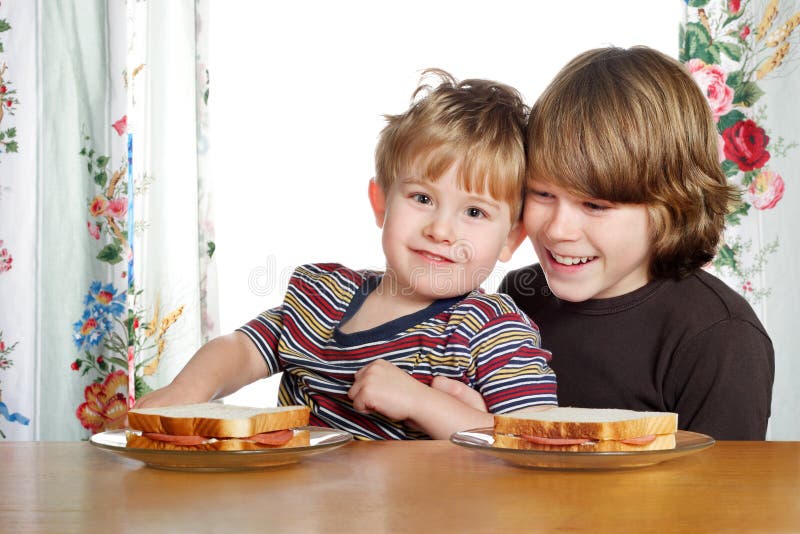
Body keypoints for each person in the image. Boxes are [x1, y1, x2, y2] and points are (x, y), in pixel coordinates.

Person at [134, 70, 557, 440]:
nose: (442, 230)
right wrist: (186, 392)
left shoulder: (492, 330)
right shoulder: (324, 297)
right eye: (423, 198)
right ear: (381, 203)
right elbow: (242, 349)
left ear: (511, 239)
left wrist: (421, 403)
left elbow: (533, 438)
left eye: (474, 211)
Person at [434, 46, 774, 440]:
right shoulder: (515, 303)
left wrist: (496, 434)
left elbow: (721, 498)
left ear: (671, 204)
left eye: (595, 205)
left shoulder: (720, 339)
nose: (559, 229)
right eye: (542, 194)